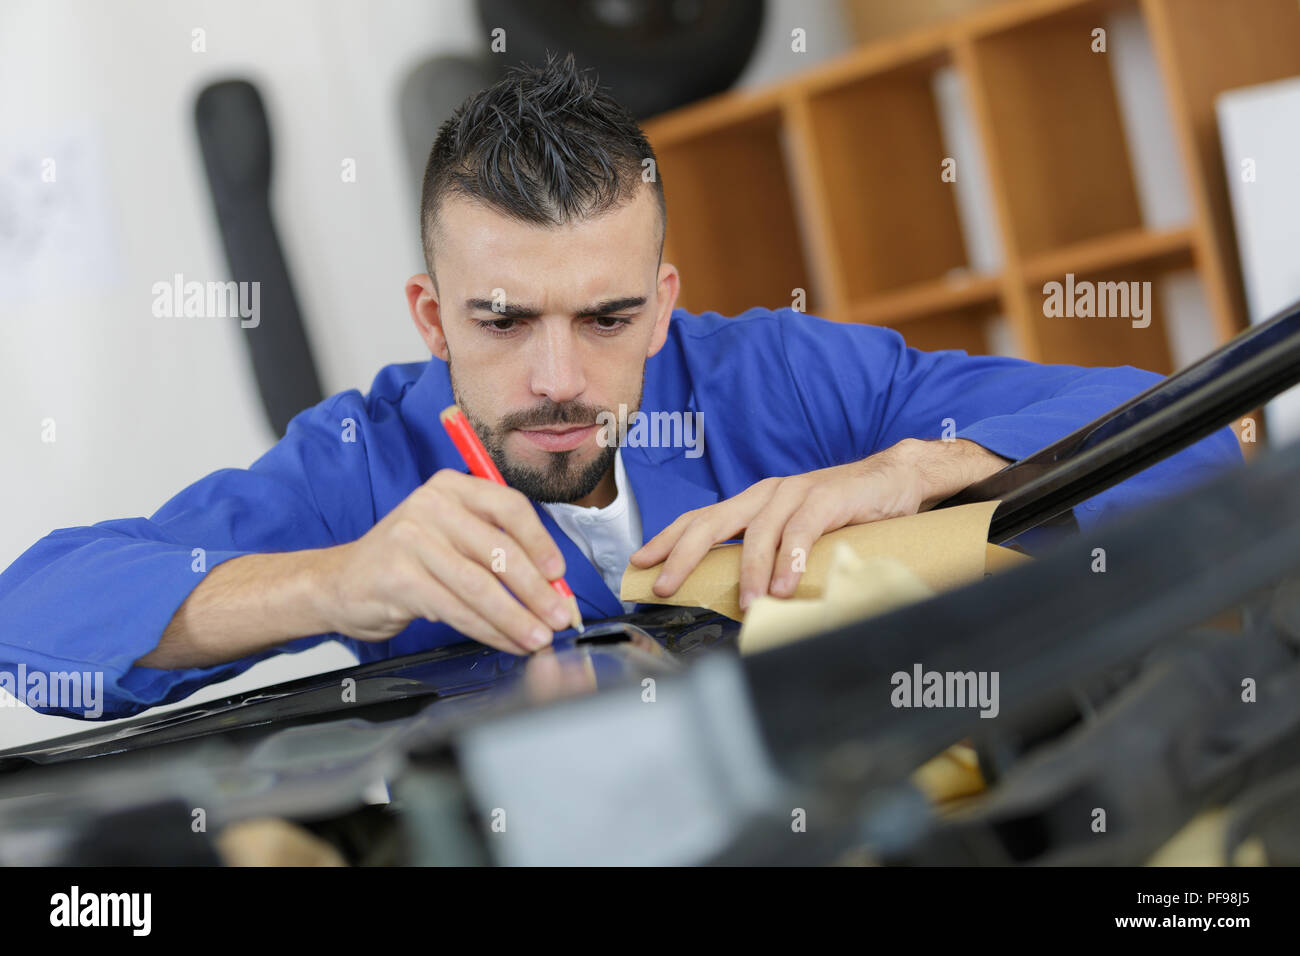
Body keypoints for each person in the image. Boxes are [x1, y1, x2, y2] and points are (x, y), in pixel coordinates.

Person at [0, 55, 1242, 721]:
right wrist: (332, 579)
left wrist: (924, 465)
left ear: (661, 299)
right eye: (499, 321)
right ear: (433, 315)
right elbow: (32, 621)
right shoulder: (361, 464)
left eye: (605, 317)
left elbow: (1186, 429)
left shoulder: (780, 377)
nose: (555, 377)